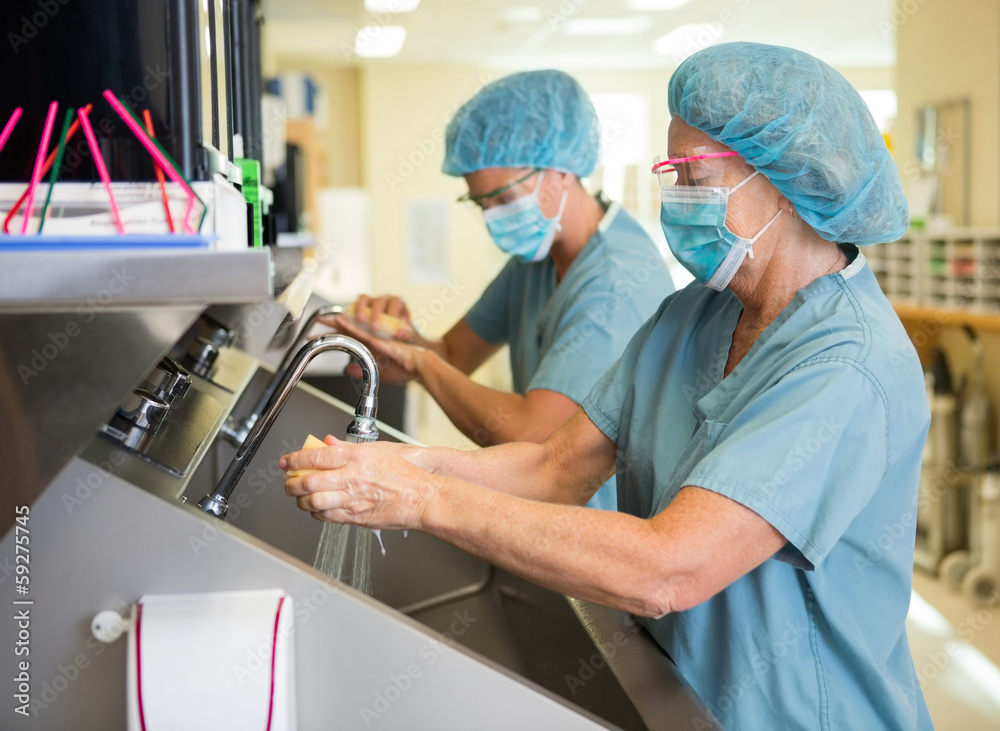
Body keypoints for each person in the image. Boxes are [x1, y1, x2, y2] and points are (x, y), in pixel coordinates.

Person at [283, 43, 932, 730]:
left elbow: (668, 569)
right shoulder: (692, 316)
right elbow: (554, 464)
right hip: (683, 697)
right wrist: (401, 464)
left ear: (784, 178)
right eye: (670, 170)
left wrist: (423, 498)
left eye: (695, 174)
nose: (675, 193)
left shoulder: (845, 365)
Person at [327, 69, 674, 511]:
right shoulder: (536, 260)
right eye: (481, 204)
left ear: (560, 171)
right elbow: (452, 353)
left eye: (505, 199)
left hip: (604, 524)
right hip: (551, 518)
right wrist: (398, 339)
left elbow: (534, 438)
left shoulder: (615, 282)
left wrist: (422, 364)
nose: (494, 218)